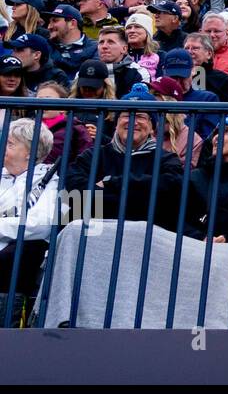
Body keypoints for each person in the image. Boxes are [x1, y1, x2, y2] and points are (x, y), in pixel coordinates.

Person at [63, 94, 185, 224]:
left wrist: (112, 183)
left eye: (141, 116)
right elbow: (75, 193)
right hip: (97, 231)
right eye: (126, 115)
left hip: (147, 237)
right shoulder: (93, 156)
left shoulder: (166, 159)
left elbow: (172, 191)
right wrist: (138, 196)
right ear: (116, 124)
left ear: (151, 127)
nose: (133, 121)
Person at [0, 118, 59, 294]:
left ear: (29, 152)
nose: (3, 147)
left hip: (14, 262)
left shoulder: (50, 181)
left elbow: (40, 225)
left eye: (10, 144)